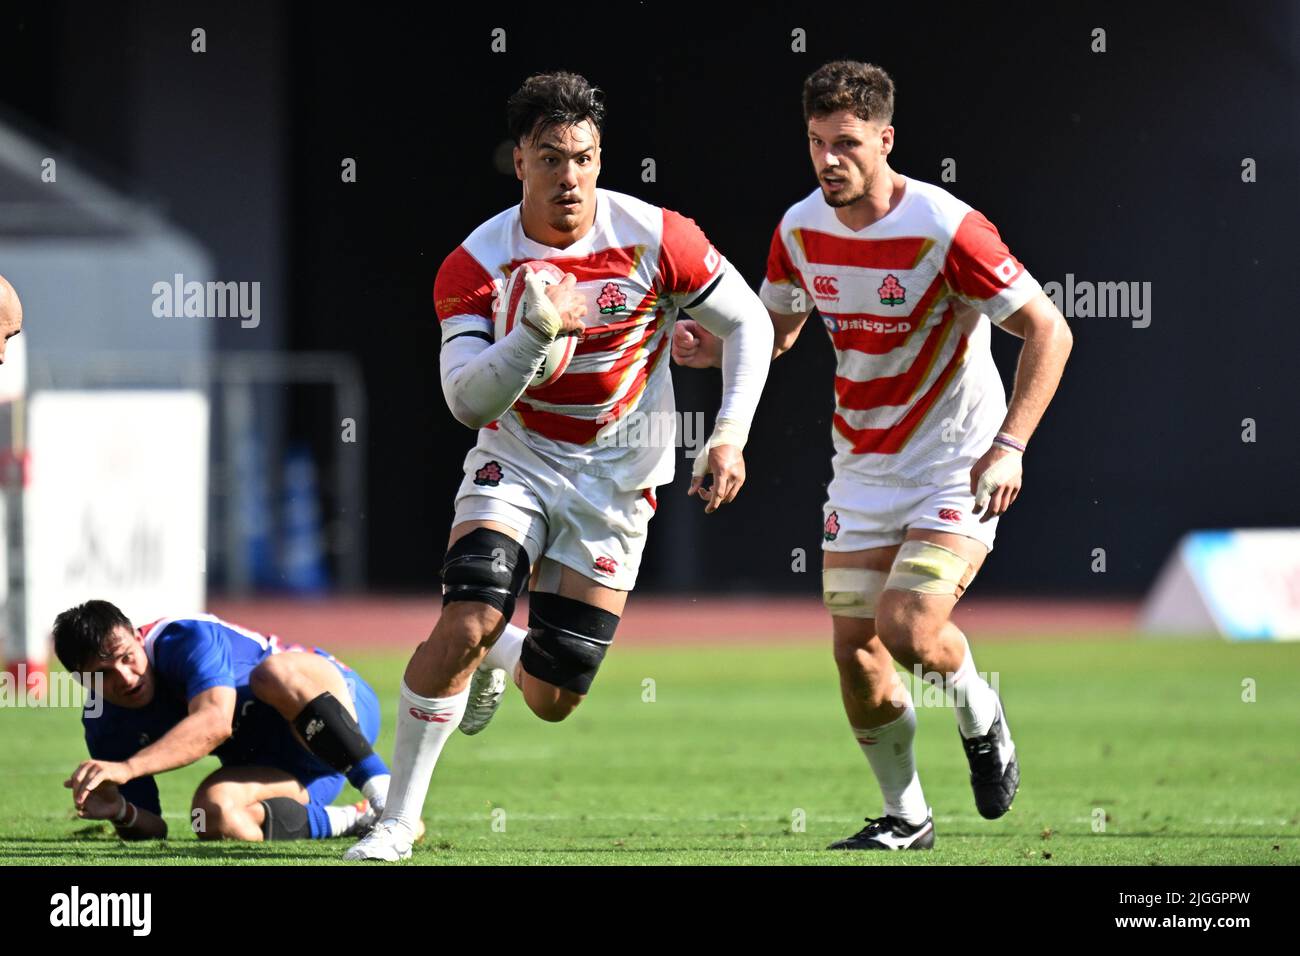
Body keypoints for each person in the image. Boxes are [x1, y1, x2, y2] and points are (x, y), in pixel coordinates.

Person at [346, 71, 772, 861]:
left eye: (582, 157)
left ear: (600, 157)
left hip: (617, 476)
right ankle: (398, 820)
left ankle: (503, 654)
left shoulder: (656, 237)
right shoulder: (475, 263)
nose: (569, 177)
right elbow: (468, 403)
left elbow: (747, 320)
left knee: (553, 698)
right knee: (467, 616)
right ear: (519, 162)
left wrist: (728, 435)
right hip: (519, 456)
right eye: (550, 158)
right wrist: (537, 330)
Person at [673, 61, 1072, 850]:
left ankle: (978, 710)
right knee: (854, 652)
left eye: (848, 143)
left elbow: (1051, 329)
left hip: (954, 462)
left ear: (886, 140)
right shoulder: (798, 229)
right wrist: (712, 347)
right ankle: (907, 818)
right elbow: (778, 331)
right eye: (817, 142)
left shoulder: (947, 226)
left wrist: (1011, 446)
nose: (830, 160)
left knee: (909, 626)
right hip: (861, 469)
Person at [57, 600, 391, 842]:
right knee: (209, 816)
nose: (126, 677)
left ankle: (387, 797)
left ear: (136, 635)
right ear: (80, 680)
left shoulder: (184, 637)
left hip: (342, 713)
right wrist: (121, 812)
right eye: (102, 674)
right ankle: (355, 819)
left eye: (127, 657)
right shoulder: (104, 723)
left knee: (272, 674)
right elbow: (153, 829)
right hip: (289, 768)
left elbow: (215, 722)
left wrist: (128, 768)